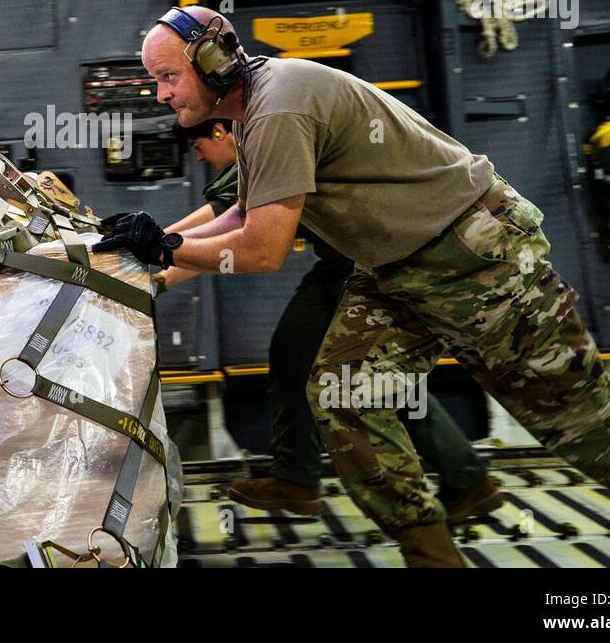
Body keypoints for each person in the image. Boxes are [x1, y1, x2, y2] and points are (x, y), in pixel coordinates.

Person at [95, 4, 610, 567]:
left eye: (168, 76)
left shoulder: (279, 105)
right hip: (402, 270)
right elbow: (236, 216)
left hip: (479, 259)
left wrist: (166, 247)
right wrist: (130, 269)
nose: (159, 94)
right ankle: (433, 557)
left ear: (211, 62)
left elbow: (262, 248)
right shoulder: (259, 108)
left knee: (584, 424)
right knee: (344, 394)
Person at [161, 119, 503, 521]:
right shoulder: (269, 142)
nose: (198, 156)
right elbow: (214, 227)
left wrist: (152, 270)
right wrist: (154, 247)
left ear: (220, 131)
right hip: (369, 259)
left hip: (361, 265)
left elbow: (225, 227)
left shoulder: (262, 146)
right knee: (367, 376)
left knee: (306, 358)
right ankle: (466, 479)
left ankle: (299, 479)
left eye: (198, 145)